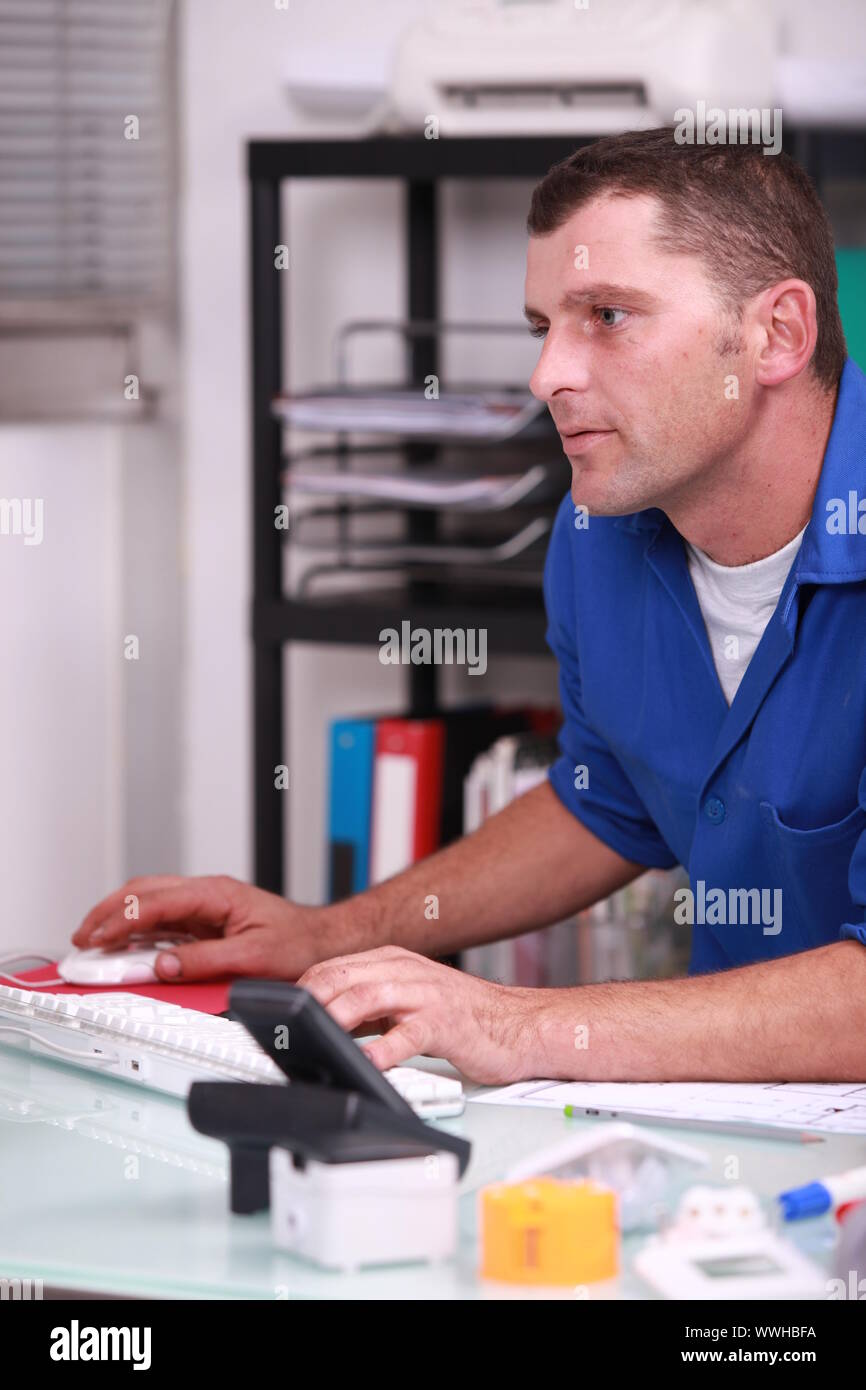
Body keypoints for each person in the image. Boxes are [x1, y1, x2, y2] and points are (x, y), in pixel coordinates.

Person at [73, 128, 866, 1085]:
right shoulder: (596, 529)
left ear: (777, 333)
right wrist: (331, 933)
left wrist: (515, 1026)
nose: (547, 378)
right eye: (544, 328)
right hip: (740, 1127)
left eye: (607, 317)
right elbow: (606, 803)